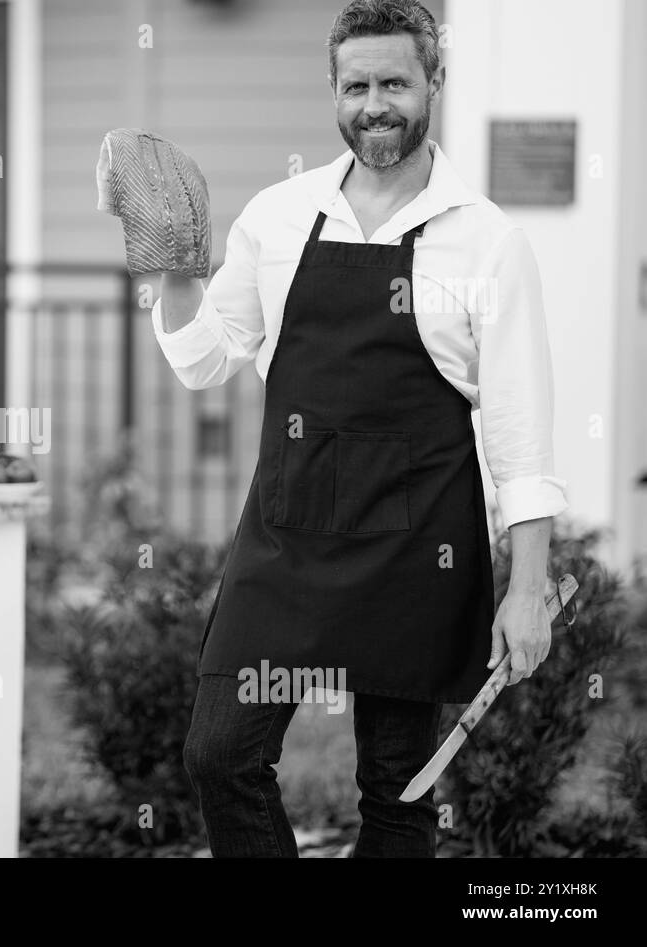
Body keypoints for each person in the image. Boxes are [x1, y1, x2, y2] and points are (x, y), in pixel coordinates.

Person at [145, 0, 568, 857]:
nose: (376, 104)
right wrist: (175, 270)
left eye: (395, 83)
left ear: (434, 82)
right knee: (220, 752)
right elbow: (205, 358)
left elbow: (521, 434)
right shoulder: (279, 216)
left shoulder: (486, 242)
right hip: (288, 538)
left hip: (419, 549)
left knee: (398, 796)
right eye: (357, 85)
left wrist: (529, 584)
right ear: (334, 91)